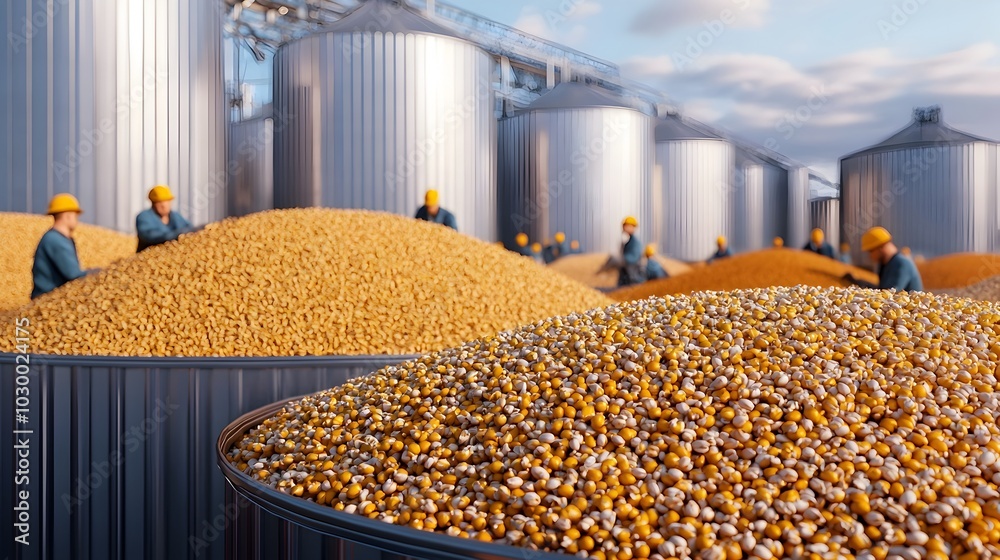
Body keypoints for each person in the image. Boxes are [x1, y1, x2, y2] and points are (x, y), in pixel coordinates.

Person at [31, 194, 98, 299]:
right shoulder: (55, 240)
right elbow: (73, 275)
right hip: (48, 299)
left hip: (52, 297)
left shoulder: (59, 238)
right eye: (75, 216)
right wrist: (99, 273)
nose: (77, 220)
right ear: (68, 215)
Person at [844, 227, 923, 292]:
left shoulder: (901, 264)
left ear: (880, 247)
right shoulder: (887, 264)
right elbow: (881, 289)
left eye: (871, 251)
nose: (870, 256)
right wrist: (858, 282)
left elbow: (889, 294)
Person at [136, 185, 196, 252]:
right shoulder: (144, 217)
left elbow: (189, 228)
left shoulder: (175, 216)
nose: (164, 205)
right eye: (159, 202)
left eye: (167, 201)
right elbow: (151, 236)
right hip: (149, 256)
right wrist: (179, 234)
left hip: (175, 254)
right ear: (153, 203)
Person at [619, 216, 644, 287]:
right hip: (627, 278)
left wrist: (621, 259)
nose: (624, 228)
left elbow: (633, 259)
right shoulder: (628, 242)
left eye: (626, 225)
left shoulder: (635, 243)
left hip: (634, 278)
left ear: (632, 227)